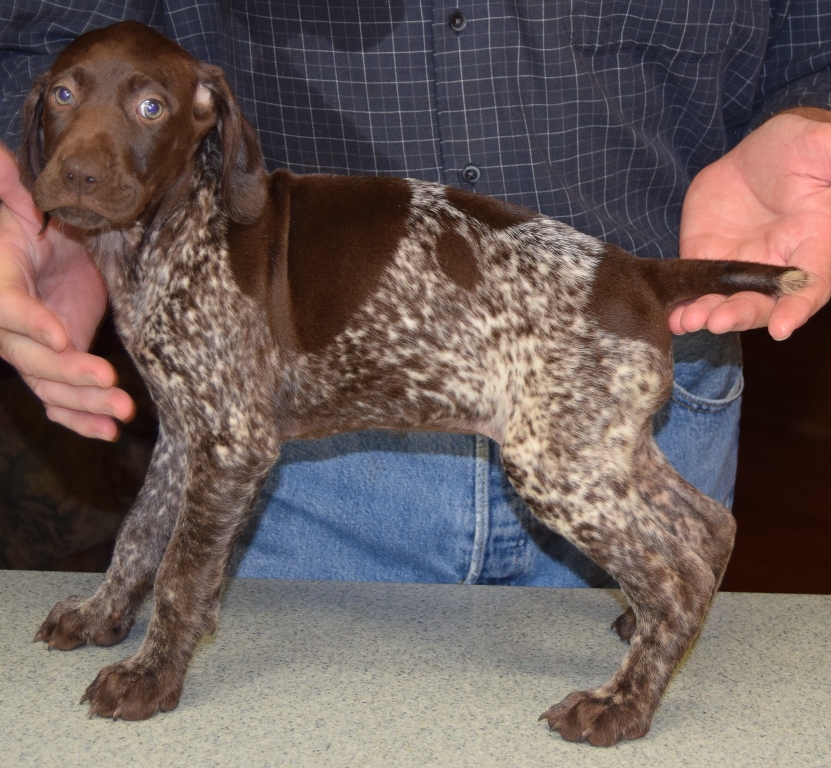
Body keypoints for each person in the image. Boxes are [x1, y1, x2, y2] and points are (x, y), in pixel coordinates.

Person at [1, 1, 830, 585]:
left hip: (639, 345)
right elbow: (48, 25)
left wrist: (817, 117)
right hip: (296, 450)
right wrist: (52, 204)